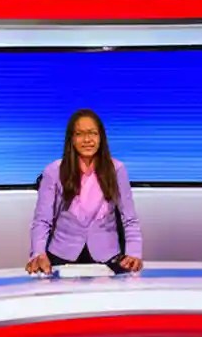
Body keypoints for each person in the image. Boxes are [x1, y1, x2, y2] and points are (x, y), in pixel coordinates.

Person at [26, 109, 143, 274]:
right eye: (80, 134)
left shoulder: (117, 169)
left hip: (108, 256)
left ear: (100, 137)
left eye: (92, 133)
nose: (87, 140)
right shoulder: (54, 171)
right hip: (62, 255)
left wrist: (134, 253)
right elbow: (42, 220)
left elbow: (129, 219)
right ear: (71, 139)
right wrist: (38, 253)